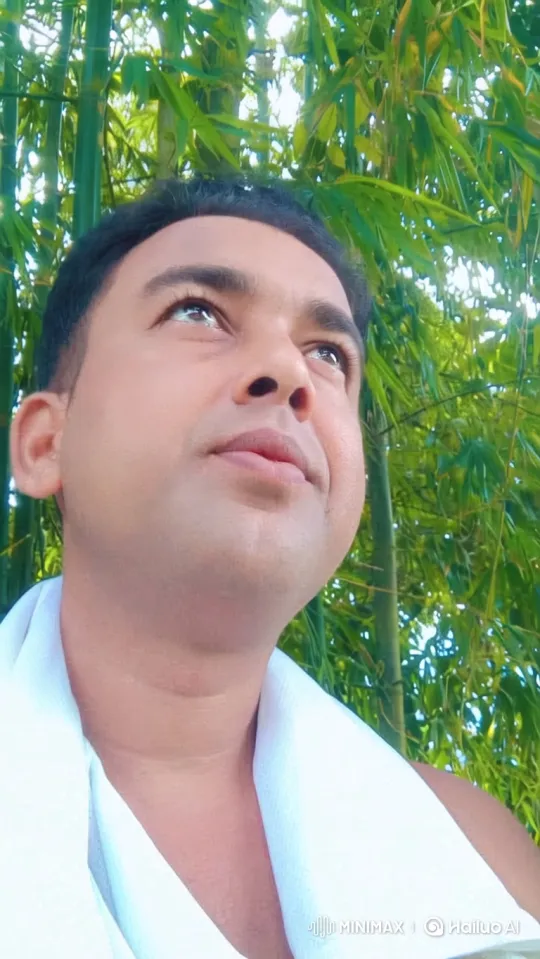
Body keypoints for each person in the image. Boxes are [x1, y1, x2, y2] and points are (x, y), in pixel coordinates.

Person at [2, 174, 540, 959]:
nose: (288, 372)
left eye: (328, 354)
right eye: (198, 311)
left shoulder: (479, 856)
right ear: (48, 442)